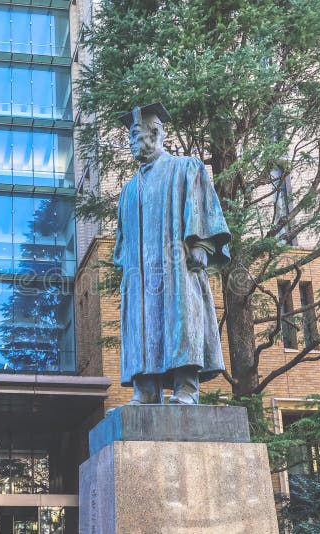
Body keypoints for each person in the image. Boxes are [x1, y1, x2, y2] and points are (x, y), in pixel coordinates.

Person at [113, 103, 231, 405]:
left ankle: (186, 388)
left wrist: (200, 246)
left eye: (136, 134)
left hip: (177, 262)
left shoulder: (184, 168)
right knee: (143, 324)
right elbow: (123, 240)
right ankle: (147, 389)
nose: (131, 141)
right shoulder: (128, 190)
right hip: (140, 271)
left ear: (156, 133)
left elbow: (202, 208)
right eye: (130, 136)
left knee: (182, 316)